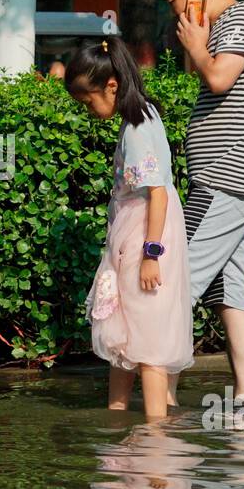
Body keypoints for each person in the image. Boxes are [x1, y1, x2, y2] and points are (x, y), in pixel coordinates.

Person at [161, 0, 244, 408]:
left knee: (173, 286)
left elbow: (221, 78)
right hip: (230, 183)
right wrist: (200, 41)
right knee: (233, 301)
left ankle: (161, 402)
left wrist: (194, 45)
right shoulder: (223, 26)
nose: (173, 9)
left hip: (225, 180)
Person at [67, 38, 192, 418]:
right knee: (125, 331)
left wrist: (151, 254)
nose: (88, 110)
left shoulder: (138, 126)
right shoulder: (140, 118)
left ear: (111, 86)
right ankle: (117, 416)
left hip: (146, 236)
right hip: (135, 233)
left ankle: (155, 437)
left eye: (88, 102)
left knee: (148, 341)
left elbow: (158, 193)